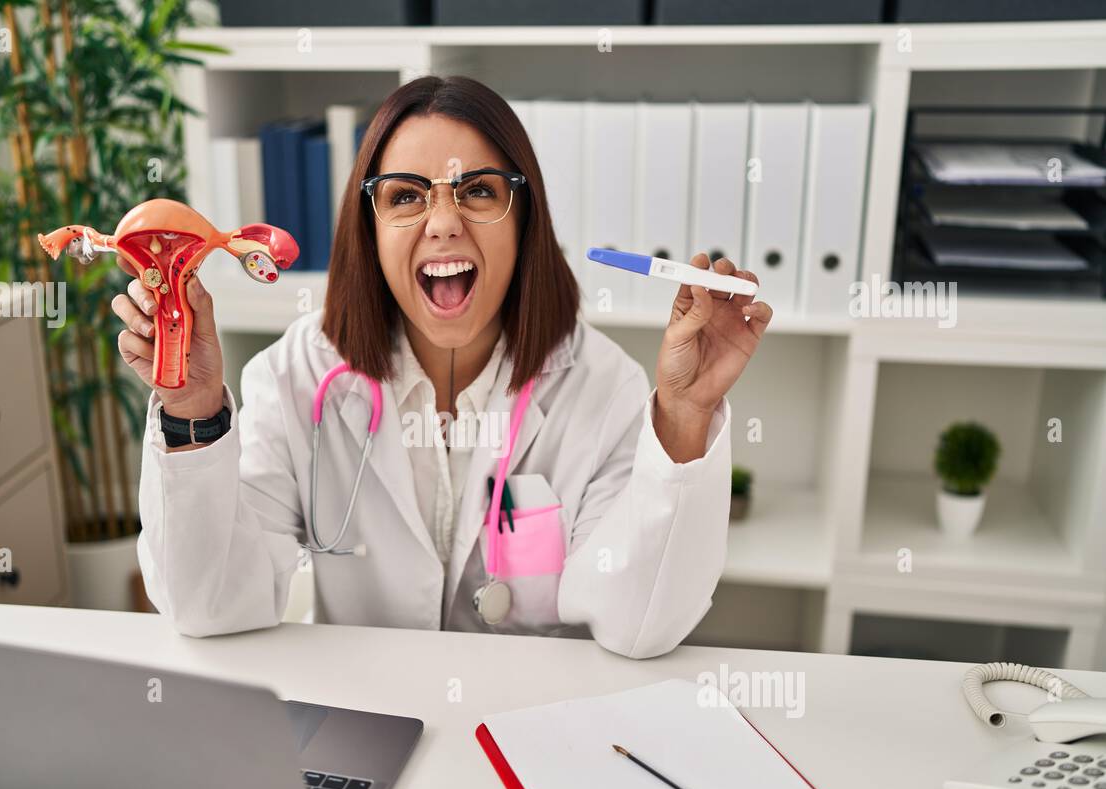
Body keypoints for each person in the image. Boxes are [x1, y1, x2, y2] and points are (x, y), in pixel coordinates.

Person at [114, 75, 771, 659]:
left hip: (533, 735)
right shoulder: (296, 377)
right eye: (406, 197)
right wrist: (192, 410)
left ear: (525, 223)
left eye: (478, 191)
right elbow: (209, 607)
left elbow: (639, 625)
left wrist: (685, 413)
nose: (444, 223)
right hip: (371, 725)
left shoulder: (602, 388)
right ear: (368, 231)